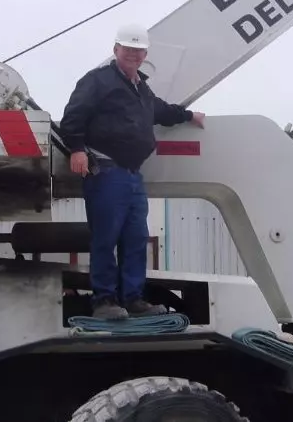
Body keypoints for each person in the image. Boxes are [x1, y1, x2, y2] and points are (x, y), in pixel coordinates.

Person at [59, 23, 205, 320]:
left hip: (131, 175)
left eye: (138, 51)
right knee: (106, 237)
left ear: (145, 54)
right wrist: (76, 149)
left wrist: (189, 115)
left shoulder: (142, 88)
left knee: (136, 238)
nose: (133, 55)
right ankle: (104, 302)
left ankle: (134, 300)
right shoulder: (98, 81)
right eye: (128, 49)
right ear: (116, 50)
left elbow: (161, 111)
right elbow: (73, 115)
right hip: (105, 170)